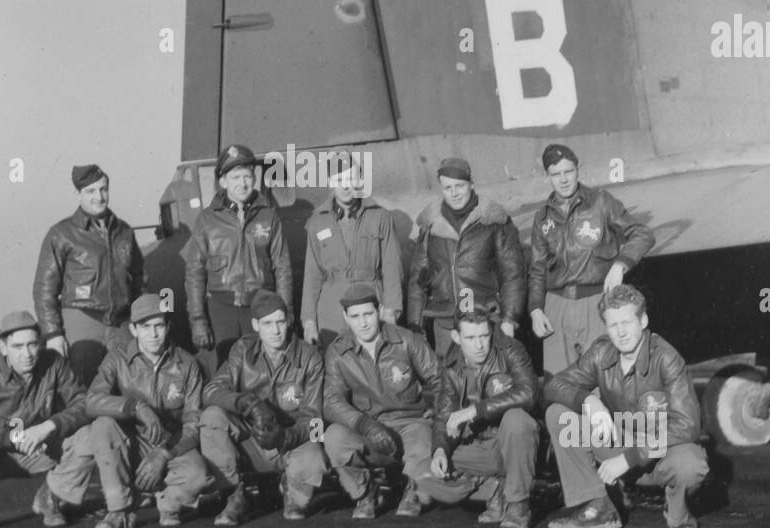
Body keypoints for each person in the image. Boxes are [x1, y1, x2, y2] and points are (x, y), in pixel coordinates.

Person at [541, 284, 708, 528]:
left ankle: (677, 511)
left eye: (627, 323)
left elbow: (687, 425)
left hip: (658, 454)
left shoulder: (666, 358)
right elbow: (554, 384)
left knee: (691, 464)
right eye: (612, 325)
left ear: (643, 321)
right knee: (558, 415)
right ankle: (599, 506)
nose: (620, 332)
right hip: (618, 443)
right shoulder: (601, 351)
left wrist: (629, 458)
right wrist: (588, 401)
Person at [0, 311, 103, 528]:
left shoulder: (54, 363)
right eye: (18, 347)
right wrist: (11, 438)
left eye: (32, 345)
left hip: (43, 448)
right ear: (4, 348)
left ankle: (51, 499)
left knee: (89, 437)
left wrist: (48, 427)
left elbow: (84, 403)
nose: (27, 354)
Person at [82, 293, 212, 528]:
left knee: (198, 475)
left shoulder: (187, 363)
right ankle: (119, 510)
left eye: (159, 326)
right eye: (145, 327)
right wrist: (135, 407)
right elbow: (91, 401)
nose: (153, 335)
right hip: (132, 445)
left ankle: (169, 503)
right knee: (103, 425)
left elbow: (193, 422)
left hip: (170, 443)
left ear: (168, 327)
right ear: (133, 329)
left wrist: (164, 453)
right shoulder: (118, 359)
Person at [201, 290, 328, 525]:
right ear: (255, 325)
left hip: (291, 442)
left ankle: (293, 491)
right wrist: (248, 403)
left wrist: (287, 435)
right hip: (253, 439)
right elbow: (210, 391)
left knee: (311, 468)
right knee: (212, 417)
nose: (276, 330)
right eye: (267, 324)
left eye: (280, 322)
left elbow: (316, 422)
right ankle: (234, 495)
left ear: (288, 321)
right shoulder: (243, 350)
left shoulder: (310, 357)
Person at [528, 144, 655, 375]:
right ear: (547, 176)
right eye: (556, 174)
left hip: (597, 300)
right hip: (557, 305)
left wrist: (620, 265)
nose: (563, 179)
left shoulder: (601, 202)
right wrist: (536, 309)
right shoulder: (542, 218)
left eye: (568, 171)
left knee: (604, 378)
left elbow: (642, 234)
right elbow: (537, 268)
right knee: (559, 383)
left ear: (578, 170)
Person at [322, 283, 442, 520]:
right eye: (355, 316)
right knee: (334, 438)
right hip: (368, 428)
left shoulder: (407, 340)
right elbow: (331, 400)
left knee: (423, 441)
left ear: (379, 311)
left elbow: (441, 381)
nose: (363, 322)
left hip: (410, 423)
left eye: (368, 314)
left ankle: (414, 491)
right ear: (345, 318)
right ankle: (366, 493)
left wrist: (437, 415)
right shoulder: (338, 352)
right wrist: (365, 425)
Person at [420, 310, 541, 528]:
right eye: (471, 338)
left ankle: (518, 504)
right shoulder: (451, 364)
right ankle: (494, 487)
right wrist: (439, 449)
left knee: (517, 419)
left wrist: (477, 410)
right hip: (480, 445)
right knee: (425, 474)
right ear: (456, 337)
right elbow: (444, 416)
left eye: (484, 336)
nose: (479, 345)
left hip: (513, 441)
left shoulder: (511, 349)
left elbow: (528, 394)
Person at [182, 143, 293, 373]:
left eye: (247, 176)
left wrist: (286, 312)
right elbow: (194, 273)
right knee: (223, 371)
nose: (242, 183)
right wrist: (197, 319)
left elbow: (283, 268)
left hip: (260, 307)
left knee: (262, 370)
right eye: (235, 177)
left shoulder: (269, 217)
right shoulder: (207, 220)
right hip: (221, 309)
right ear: (223, 181)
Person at [34, 164, 145, 388]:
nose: (99, 197)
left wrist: (141, 321)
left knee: (130, 382)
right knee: (79, 386)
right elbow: (44, 289)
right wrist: (53, 334)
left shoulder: (124, 232)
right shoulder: (62, 234)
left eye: (103, 189)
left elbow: (140, 281)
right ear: (79, 194)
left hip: (120, 322)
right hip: (81, 319)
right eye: (91, 191)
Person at [407, 156, 526, 357]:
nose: (454, 193)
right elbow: (418, 279)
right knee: (452, 383)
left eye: (459, 186)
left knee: (492, 382)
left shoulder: (493, 221)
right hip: (446, 325)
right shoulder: (431, 226)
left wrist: (509, 319)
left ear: (471, 184)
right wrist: (415, 326)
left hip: (485, 322)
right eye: (447, 188)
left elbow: (513, 273)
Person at [301, 152, 403, 348]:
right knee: (335, 363)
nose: (346, 186)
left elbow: (392, 267)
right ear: (331, 182)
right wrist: (309, 321)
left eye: (351, 179)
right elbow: (312, 275)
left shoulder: (380, 217)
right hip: (332, 306)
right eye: (339, 180)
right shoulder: (317, 222)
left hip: (371, 302)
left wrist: (391, 310)